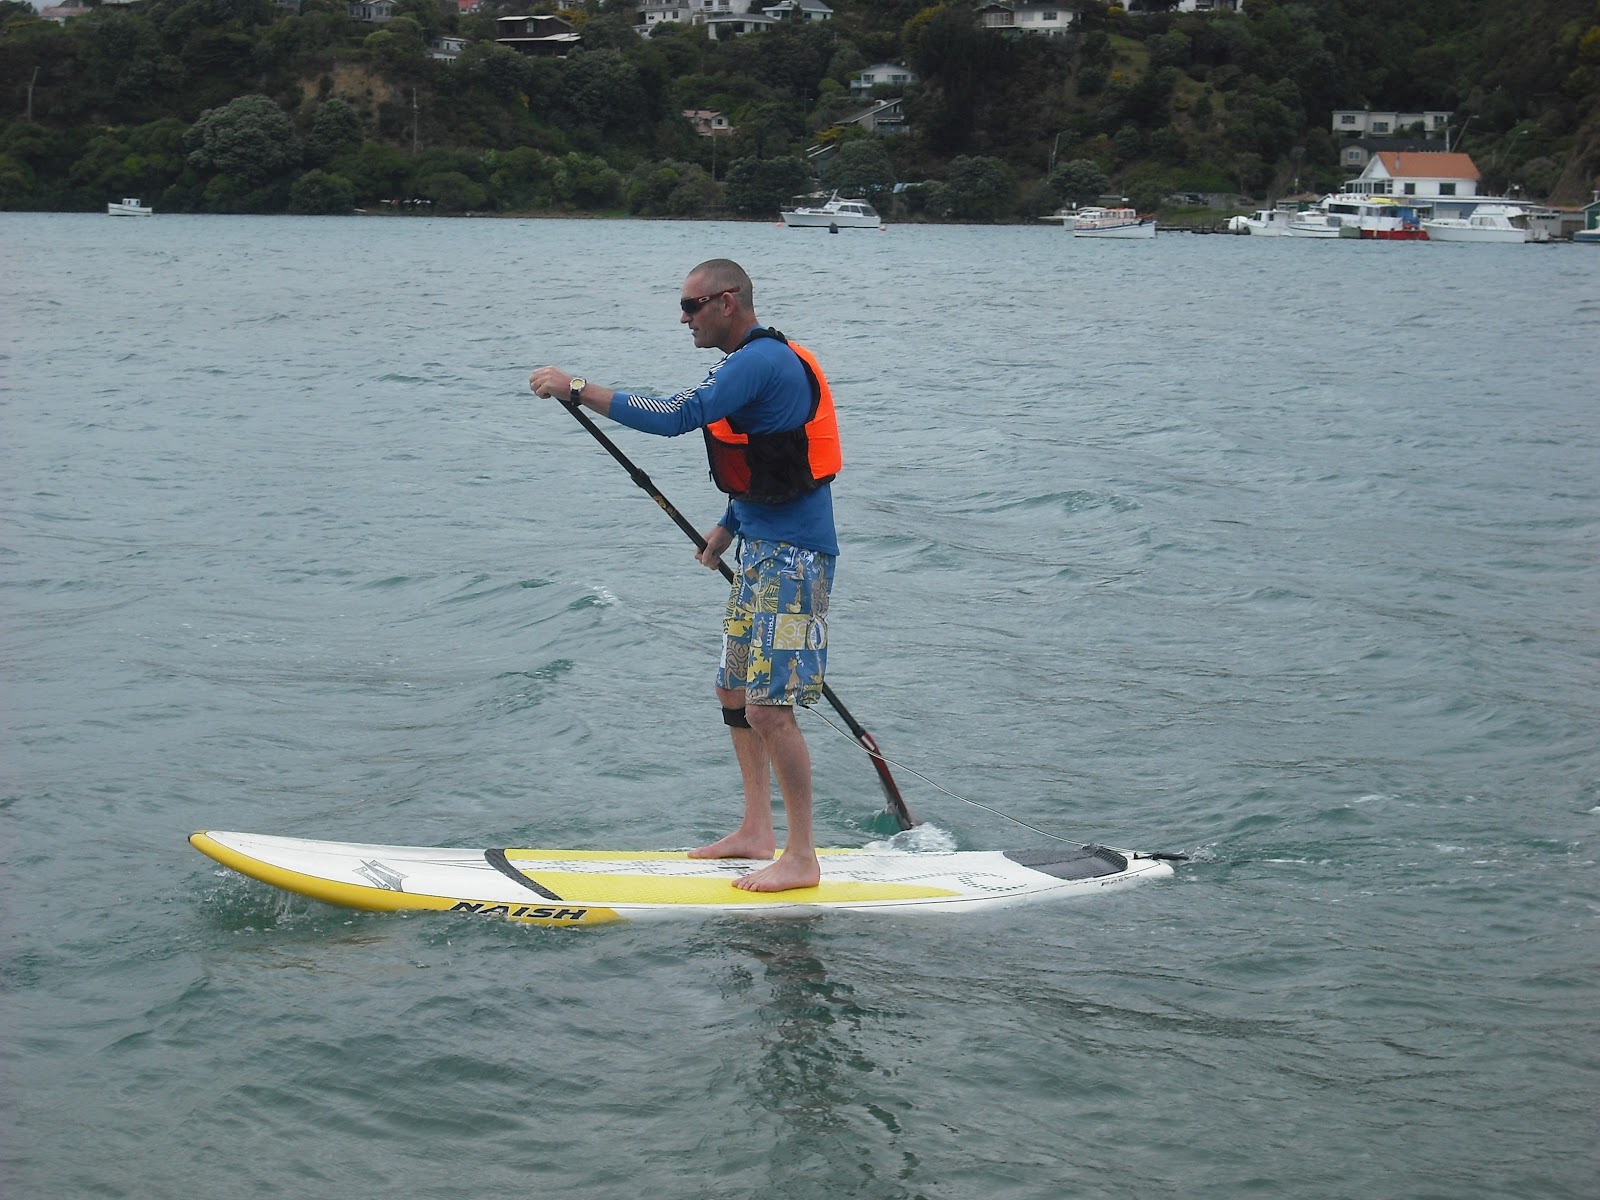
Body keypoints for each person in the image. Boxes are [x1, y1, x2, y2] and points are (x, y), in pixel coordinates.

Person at [528, 259, 842, 893]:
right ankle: (758, 829)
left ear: (727, 302)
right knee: (733, 688)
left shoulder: (761, 361)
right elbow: (766, 459)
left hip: (795, 556)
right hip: (759, 546)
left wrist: (578, 386)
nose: (683, 318)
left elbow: (676, 415)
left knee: (770, 707)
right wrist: (728, 523)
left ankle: (802, 855)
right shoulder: (746, 363)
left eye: (691, 306)